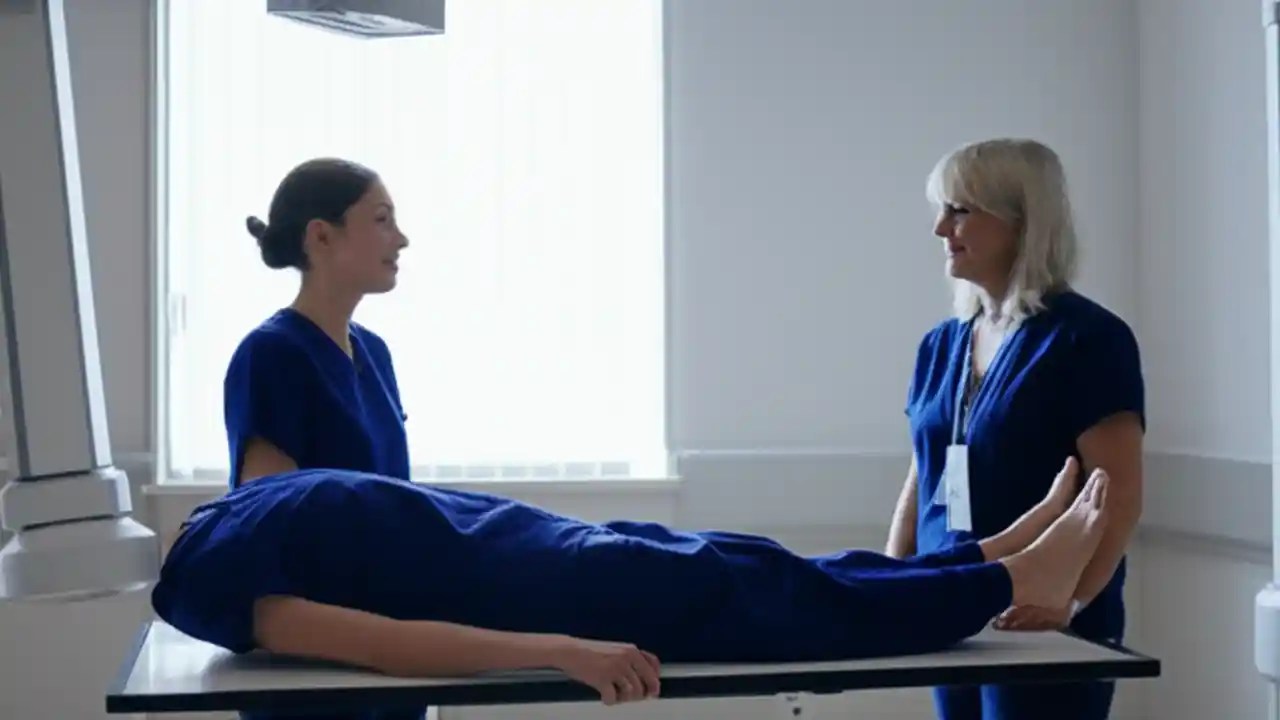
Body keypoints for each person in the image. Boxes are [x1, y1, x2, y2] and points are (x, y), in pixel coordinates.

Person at [152, 457, 1114, 709]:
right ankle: (1002, 568)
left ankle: (995, 560)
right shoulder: (222, 562)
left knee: (787, 590)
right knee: (792, 592)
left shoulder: (228, 531)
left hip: (568, 567)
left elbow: (383, 626)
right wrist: (560, 656)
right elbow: (388, 646)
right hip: (566, 580)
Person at [885, 138, 1145, 720]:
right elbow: (921, 475)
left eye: (959, 210)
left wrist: (1070, 602)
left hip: (1041, 621)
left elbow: (1118, 496)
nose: (940, 229)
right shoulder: (941, 344)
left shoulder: (1087, 340)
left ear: (1021, 221)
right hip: (948, 605)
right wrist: (891, 576)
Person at [223, 158, 417, 720]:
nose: (401, 239)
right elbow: (269, 527)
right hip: (320, 664)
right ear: (321, 235)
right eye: (382, 220)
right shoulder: (272, 354)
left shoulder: (375, 353)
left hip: (392, 644)